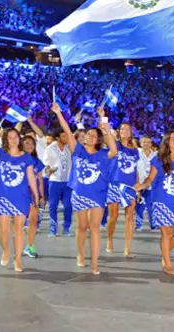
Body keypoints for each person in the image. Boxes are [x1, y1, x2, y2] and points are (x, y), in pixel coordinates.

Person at [53, 103, 117, 275]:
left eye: (93, 135)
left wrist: (104, 121)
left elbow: (114, 149)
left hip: (98, 195)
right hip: (79, 194)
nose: (89, 136)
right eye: (88, 134)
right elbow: (67, 130)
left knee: (94, 228)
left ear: (98, 140)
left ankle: (95, 262)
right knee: (82, 227)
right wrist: (59, 113)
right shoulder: (78, 150)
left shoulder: (103, 155)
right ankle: (81, 254)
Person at [135, 131, 174, 276]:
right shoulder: (159, 159)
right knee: (167, 233)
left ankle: (164, 255)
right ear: (166, 142)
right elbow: (150, 178)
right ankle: (168, 264)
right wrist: (142, 185)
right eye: (172, 138)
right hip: (161, 201)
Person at [0, 127, 39, 272]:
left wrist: (36, 196)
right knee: (4, 230)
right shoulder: (1, 153)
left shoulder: (26, 158)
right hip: (3, 196)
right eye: (9, 137)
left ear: (19, 138)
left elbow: (31, 178)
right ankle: (6, 250)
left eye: (15, 136)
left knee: (18, 230)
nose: (13, 139)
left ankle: (17, 259)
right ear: (6, 140)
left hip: (21, 197)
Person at [106, 122, 140, 257]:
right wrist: (104, 123)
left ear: (131, 132)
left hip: (130, 186)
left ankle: (127, 247)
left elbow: (136, 168)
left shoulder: (135, 150)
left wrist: (138, 185)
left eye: (128, 129)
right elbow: (108, 137)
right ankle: (109, 238)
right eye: (123, 129)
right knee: (113, 216)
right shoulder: (116, 146)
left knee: (130, 216)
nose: (125, 131)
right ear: (119, 132)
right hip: (114, 184)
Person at [43, 129, 73, 237]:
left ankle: (66, 227)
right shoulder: (50, 149)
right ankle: (53, 229)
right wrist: (49, 170)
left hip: (67, 181)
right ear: (58, 138)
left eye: (66, 136)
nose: (66, 138)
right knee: (53, 206)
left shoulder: (69, 147)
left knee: (68, 205)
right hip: (54, 181)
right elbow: (46, 163)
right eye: (63, 136)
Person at [22, 135, 46, 258]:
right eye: (26, 143)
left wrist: (41, 195)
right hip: (19, 194)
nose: (30, 145)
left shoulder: (37, 162)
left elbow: (40, 180)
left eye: (32, 143)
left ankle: (29, 246)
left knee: (33, 221)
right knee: (18, 223)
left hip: (33, 194)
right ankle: (17, 245)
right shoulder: (17, 159)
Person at [137, 136, 157, 231]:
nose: (146, 144)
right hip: (139, 182)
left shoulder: (156, 155)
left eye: (148, 142)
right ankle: (139, 224)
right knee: (139, 205)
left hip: (152, 184)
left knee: (151, 205)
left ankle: (153, 225)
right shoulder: (136, 154)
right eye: (144, 142)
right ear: (140, 143)